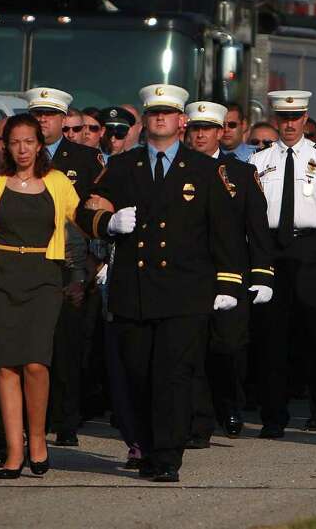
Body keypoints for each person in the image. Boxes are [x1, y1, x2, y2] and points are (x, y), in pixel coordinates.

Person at [77, 84, 243, 483]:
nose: (161, 119)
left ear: (181, 120)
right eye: (154, 114)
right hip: (134, 289)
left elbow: (224, 231)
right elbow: (84, 212)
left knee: (173, 374)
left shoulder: (203, 170)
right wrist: (108, 223)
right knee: (137, 374)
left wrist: (229, 282)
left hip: (185, 292)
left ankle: (168, 455)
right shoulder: (124, 167)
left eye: (168, 113)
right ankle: (148, 447)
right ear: (146, 121)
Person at [0, 114, 83, 478]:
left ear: (40, 145)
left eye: (29, 141)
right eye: (15, 142)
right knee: (6, 364)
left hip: (43, 275)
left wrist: (106, 218)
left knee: (36, 362)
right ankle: (14, 449)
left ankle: (38, 440)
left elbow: (81, 217)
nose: (23, 149)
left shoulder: (56, 181)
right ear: (5, 146)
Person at [248, 90, 316, 439]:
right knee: (272, 339)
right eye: (283, 118)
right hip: (271, 251)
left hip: (311, 251)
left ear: (305, 119)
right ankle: (274, 416)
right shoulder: (259, 162)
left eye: (295, 117)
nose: (289, 124)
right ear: (275, 120)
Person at [183, 101, 275, 447]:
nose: (201, 134)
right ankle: (198, 421)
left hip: (232, 274)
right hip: (189, 274)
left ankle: (230, 403)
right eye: (196, 128)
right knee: (192, 350)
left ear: (222, 131)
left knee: (229, 347)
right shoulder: (179, 169)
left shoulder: (239, 172)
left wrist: (263, 274)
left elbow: (257, 226)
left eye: (208, 128)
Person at [27, 87, 107, 447]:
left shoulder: (86, 159)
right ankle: (34, 422)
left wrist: (92, 263)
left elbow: (99, 211)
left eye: (50, 114)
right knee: (31, 348)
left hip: (72, 265)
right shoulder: (19, 157)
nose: (43, 120)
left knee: (68, 348)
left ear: (64, 119)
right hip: (28, 262)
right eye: (38, 114)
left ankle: (67, 421)